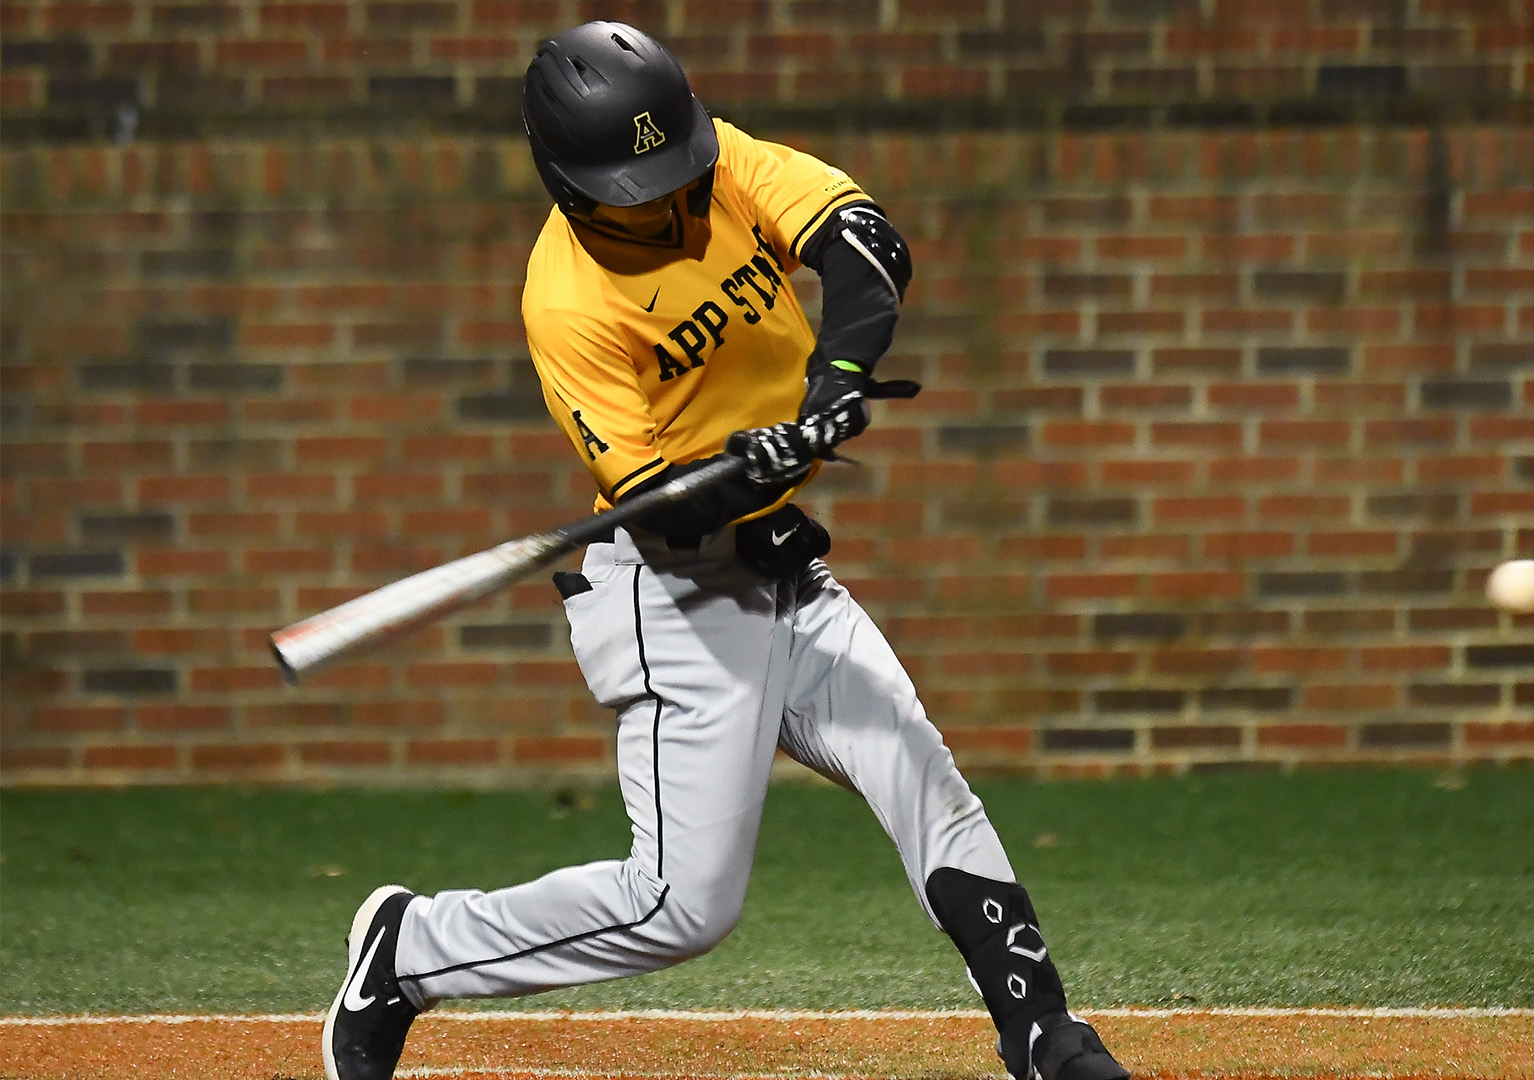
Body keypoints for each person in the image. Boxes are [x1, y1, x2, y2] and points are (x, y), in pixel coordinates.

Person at [322, 21, 1130, 1080]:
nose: (672, 200)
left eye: (678, 170)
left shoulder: (718, 160)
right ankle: (409, 952)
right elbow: (660, 509)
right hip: (679, 600)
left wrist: (837, 381)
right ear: (572, 186)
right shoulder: (567, 302)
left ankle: (1043, 1033)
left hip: (790, 572)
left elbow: (865, 242)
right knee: (680, 907)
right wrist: (744, 467)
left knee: (918, 772)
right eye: (640, 190)